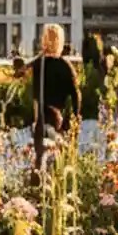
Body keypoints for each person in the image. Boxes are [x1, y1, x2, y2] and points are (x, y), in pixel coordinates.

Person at [27, 24, 81, 171]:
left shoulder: (38, 63)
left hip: (40, 119)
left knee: (39, 160)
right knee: (57, 161)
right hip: (57, 119)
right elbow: (76, 95)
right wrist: (73, 120)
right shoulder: (65, 65)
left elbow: (32, 89)